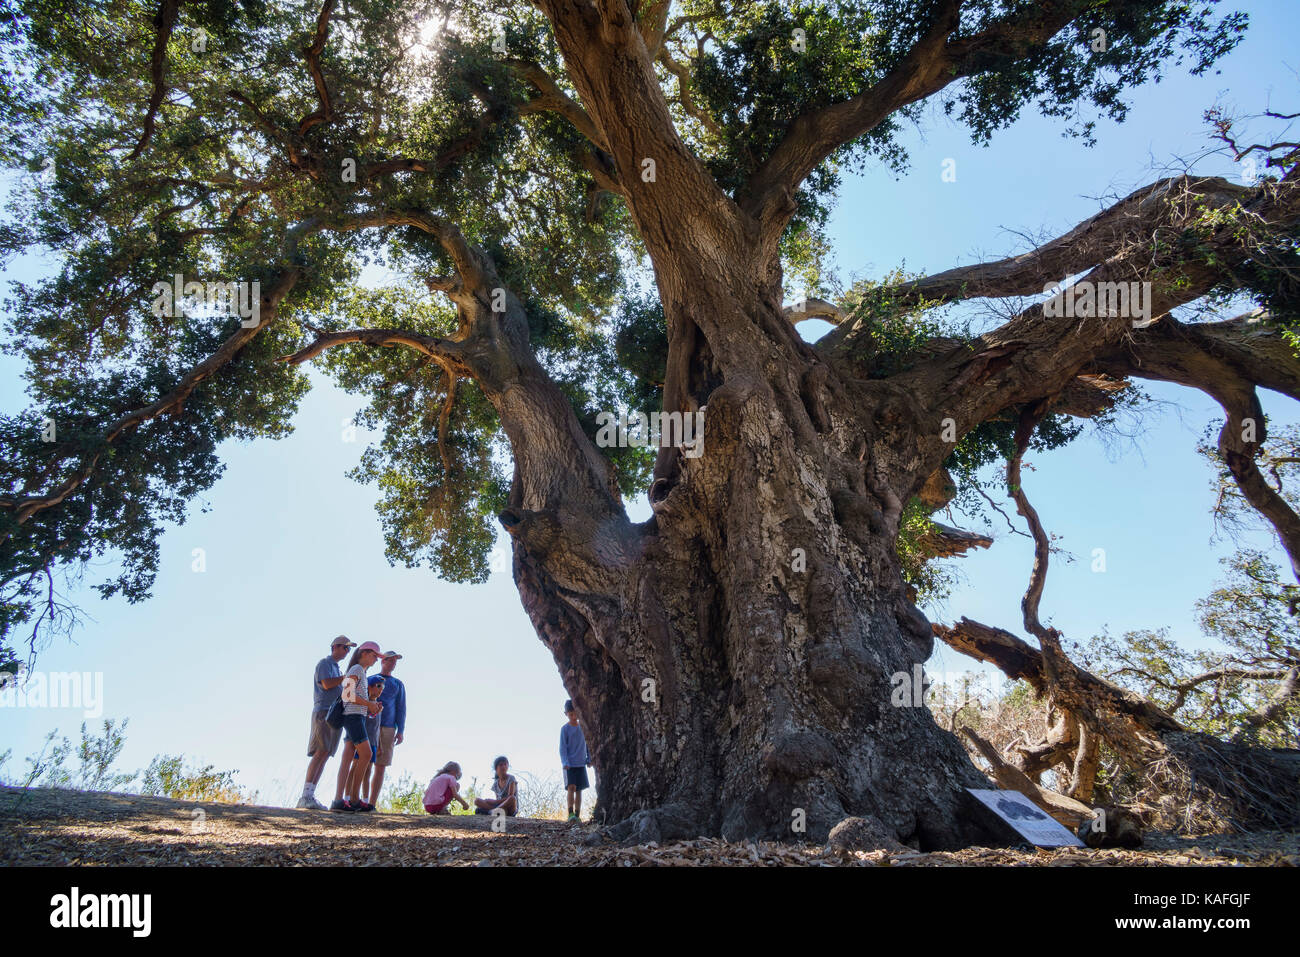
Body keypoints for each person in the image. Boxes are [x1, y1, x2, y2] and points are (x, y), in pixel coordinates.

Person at [297, 636, 355, 810]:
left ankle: (310, 794)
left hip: (335, 715)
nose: (347, 652)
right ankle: (304, 796)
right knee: (319, 752)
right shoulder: (324, 664)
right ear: (335, 647)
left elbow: (344, 693)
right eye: (345, 648)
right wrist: (345, 678)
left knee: (325, 754)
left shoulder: (337, 668)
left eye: (349, 649)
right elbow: (326, 684)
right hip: (323, 711)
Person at [334, 641, 383, 813]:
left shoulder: (360, 671)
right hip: (353, 717)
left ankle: (341, 800)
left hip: (356, 716)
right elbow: (347, 694)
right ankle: (354, 799)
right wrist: (368, 704)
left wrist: (371, 707)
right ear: (364, 653)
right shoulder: (356, 669)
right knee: (367, 754)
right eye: (374, 656)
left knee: (350, 758)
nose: (376, 660)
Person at [369, 650, 406, 808]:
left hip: (389, 727)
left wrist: (401, 730)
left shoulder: (398, 684)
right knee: (364, 762)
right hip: (370, 724)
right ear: (382, 661)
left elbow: (401, 708)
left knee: (381, 766)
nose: (393, 663)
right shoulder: (371, 679)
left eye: (395, 661)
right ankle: (359, 799)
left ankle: (371, 803)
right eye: (390, 660)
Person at [559, 699, 591, 823]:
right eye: (570, 714)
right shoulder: (565, 729)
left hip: (581, 763)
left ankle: (578, 815)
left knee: (579, 790)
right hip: (570, 765)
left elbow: (588, 744)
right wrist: (565, 762)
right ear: (566, 714)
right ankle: (570, 813)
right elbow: (562, 748)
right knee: (571, 787)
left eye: (575, 713)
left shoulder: (583, 728)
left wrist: (589, 758)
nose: (573, 716)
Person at [356, 675, 386, 805]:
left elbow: (377, 727)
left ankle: (366, 800)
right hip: (363, 741)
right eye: (378, 686)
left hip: (373, 742)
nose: (381, 689)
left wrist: (379, 744)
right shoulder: (365, 703)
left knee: (368, 771)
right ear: (370, 687)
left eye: (382, 687)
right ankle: (352, 796)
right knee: (358, 767)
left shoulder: (378, 705)